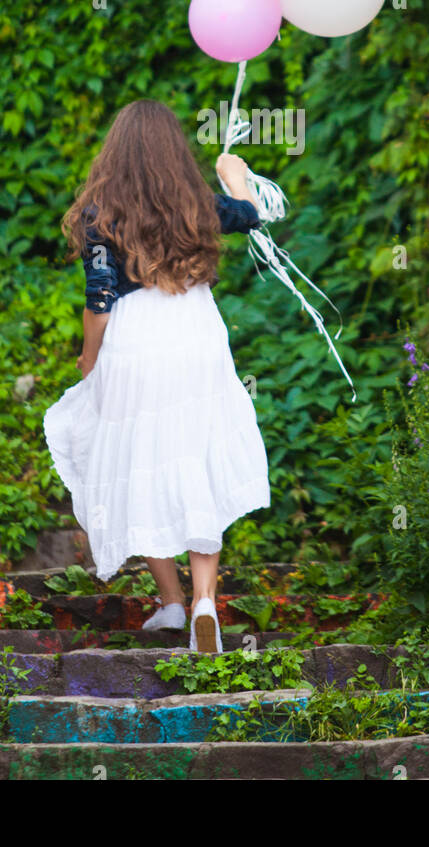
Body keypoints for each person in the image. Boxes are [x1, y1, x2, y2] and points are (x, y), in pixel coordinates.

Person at [43, 99, 270, 653]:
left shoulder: (100, 212)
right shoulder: (196, 204)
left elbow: (99, 300)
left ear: (115, 152)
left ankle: (170, 602)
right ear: (173, 150)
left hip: (134, 339)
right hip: (195, 333)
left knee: (137, 457)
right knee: (198, 457)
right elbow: (252, 213)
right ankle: (203, 602)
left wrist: (89, 359)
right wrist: (234, 177)